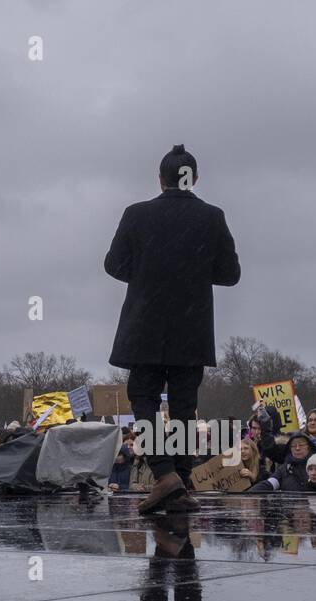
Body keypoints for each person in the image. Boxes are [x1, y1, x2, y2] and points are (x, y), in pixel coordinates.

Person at [105, 144, 241, 515]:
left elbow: (114, 265)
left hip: (145, 321)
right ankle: (181, 484)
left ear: (160, 178)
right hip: (191, 323)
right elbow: (230, 274)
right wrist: (192, 275)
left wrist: (149, 273)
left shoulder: (137, 215)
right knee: (184, 408)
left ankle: (165, 474)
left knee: (144, 399)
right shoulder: (212, 217)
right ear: (194, 179)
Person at [247, 431, 312, 492]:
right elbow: (269, 484)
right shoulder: (284, 469)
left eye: (301, 445)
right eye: (294, 446)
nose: (297, 448)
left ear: (308, 447)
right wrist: (248, 494)